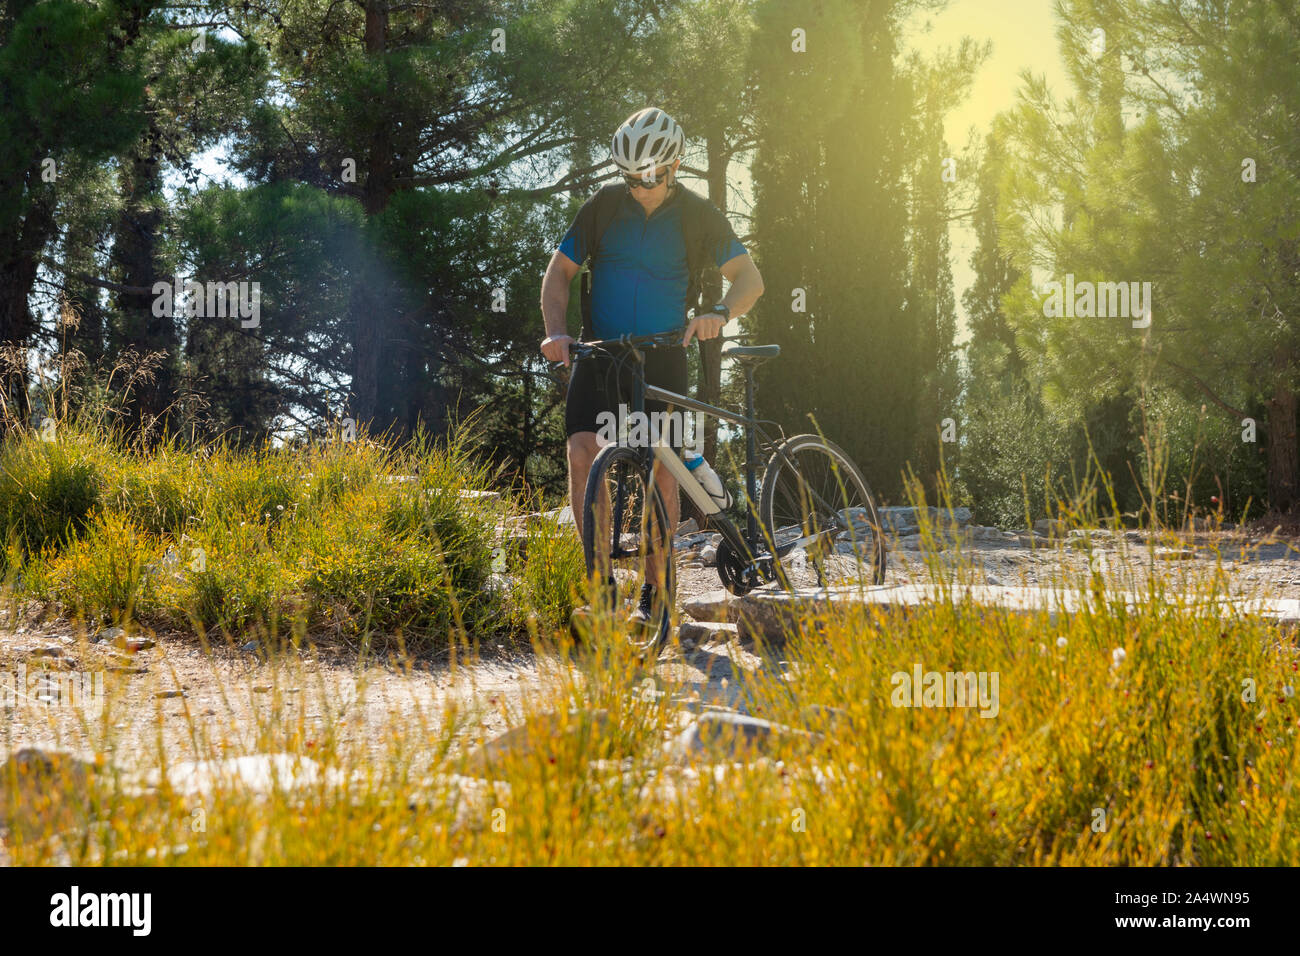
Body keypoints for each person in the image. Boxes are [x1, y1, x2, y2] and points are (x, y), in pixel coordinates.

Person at [539, 107, 765, 628]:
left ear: (675, 165)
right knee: (580, 450)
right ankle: (599, 588)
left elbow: (749, 279)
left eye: (653, 176)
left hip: (663, 353)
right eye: (632, 176)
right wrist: (556, 331)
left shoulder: (699, 215)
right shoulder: (600, 207)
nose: (642, 186)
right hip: (600, 351)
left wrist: (719, 313)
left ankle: (655, 597)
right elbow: (559, 273)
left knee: (663, 467)